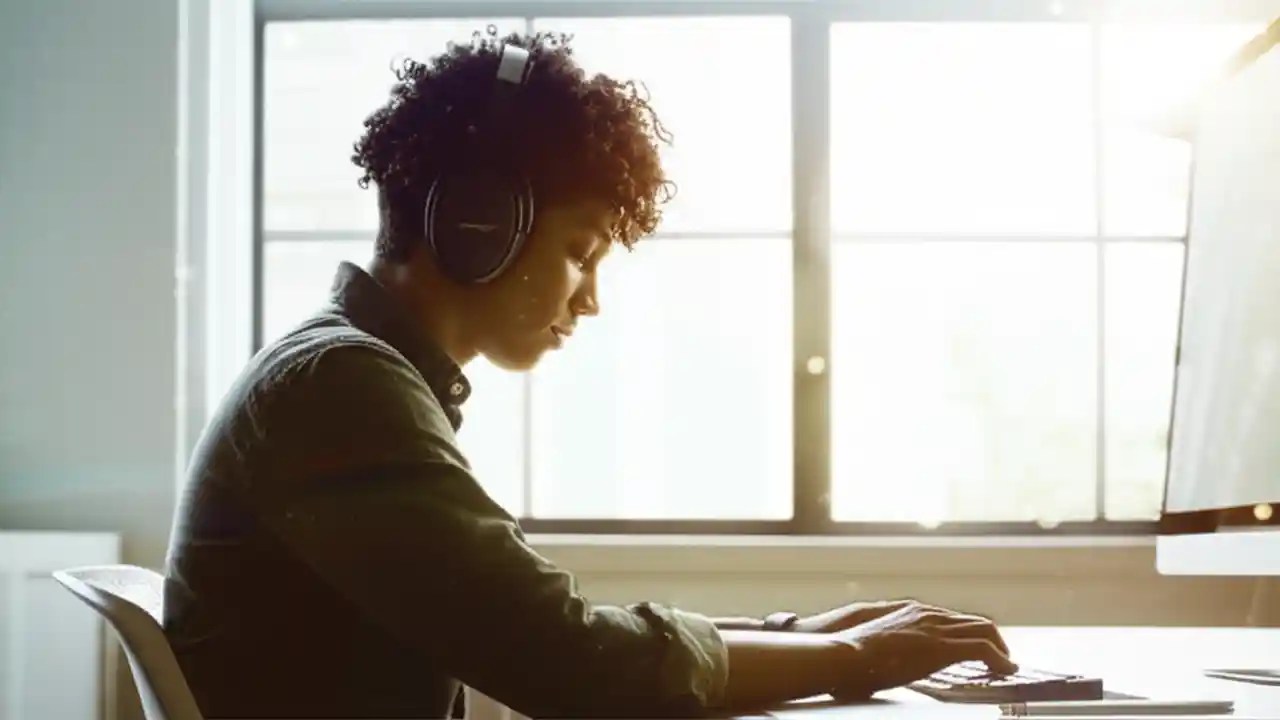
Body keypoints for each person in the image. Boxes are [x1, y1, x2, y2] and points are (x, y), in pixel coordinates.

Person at [163, 27, 1016, 719]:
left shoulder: (342, 373)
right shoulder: (339, 389)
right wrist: (849, 659)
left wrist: (796, 637)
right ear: (477, 224)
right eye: (581, 255)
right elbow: (571, 667)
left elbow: (543, 629)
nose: (592, 299)